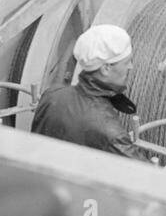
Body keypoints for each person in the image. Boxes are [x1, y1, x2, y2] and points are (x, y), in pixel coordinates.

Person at [31, 25, 148, 159]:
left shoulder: (52, 95)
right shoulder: (111, 134)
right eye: (126, 62)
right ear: (106, 68)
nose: (130, 67)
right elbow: (147, 176)